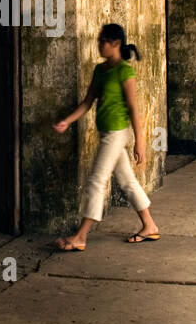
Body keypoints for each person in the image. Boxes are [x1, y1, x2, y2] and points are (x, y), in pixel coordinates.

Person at [52, 23, 159, 250]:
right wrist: (67, 121)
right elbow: (88, 102)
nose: (99, 45)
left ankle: (80, 236)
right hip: (106, 133)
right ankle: (149, 226)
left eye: (103, 41)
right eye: (99, 40)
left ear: (116, 44)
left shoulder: (125, 71)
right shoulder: (100, 71)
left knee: (96, 181)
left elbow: (133, 108)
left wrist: (140, 141)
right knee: (127, 181)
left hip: (117, 133)